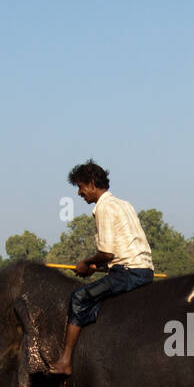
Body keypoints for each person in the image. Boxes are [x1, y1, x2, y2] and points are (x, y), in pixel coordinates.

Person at [50, 159, 155, 375]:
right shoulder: (124, 204)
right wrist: (93, 266)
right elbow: (113, 253)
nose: (79, 194)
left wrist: (85, 263)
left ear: (90, 183)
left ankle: (65, 361)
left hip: (127, 273)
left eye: (80, 187)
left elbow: (107, 252)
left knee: (79, 298)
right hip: (144, 270)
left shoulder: (104, 207)